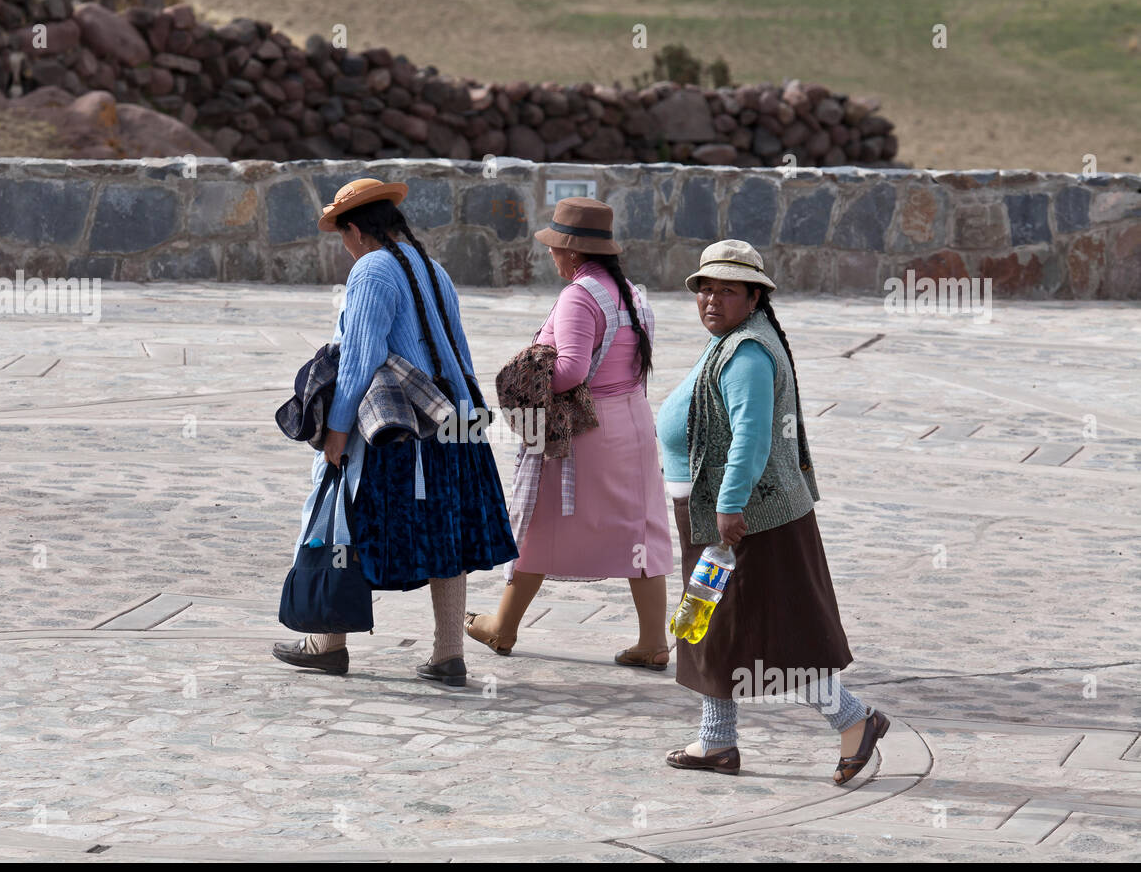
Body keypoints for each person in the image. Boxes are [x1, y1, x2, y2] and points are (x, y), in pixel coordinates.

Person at [659, 239, 890, 784]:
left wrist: (729, 505)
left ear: (755, 297)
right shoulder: (733, 341)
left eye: (728, 290)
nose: (712, 300)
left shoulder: (748, 355)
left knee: (776, 636)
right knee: (713, 629)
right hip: (718, 517)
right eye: (705, 289)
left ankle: (854, 719)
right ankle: (717, 742)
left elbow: (751, 439)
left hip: (743, 521)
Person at [271, 178, 517, 687]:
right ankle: (448, 653)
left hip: (402, 427)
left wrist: (337, 429)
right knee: (445, 528)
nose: (346, 248)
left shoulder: (371, 270)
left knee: (342, 515)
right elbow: (459, 350)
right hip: (454, 416)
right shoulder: (433, 268)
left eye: (343, 237)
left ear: (356, 230)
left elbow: (360, 357)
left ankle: (326, 642)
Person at [464, 197, 675, 668]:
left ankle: (503, 626)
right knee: (641, 528)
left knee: (539, 521)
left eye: (555, 248)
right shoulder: (632, 295)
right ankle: (652, 642)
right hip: (634, 422)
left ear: (574, 253)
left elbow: (570, 372)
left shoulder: (580, 297)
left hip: (585, 431)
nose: (552, 256)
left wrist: (532, 367)